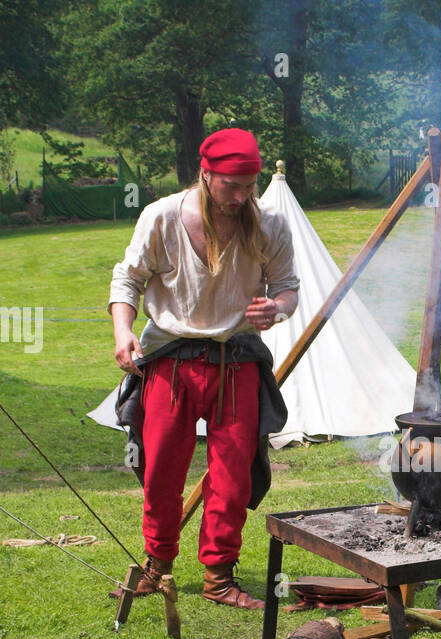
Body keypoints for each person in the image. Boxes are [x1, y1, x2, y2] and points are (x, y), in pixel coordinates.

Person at [108, 128, 298, 609]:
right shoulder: (163, 216)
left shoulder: (270, 223)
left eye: (248, 185)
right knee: (160, 474)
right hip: (170, 363)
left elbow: (289, 288)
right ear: (206, 173)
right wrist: (123, 332)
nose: (240, 197)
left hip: (236, 365)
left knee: (232, 479)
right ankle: (157, 567)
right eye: (231, 185)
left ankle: (219, 579)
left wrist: (275, 308)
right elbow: (127, 280)